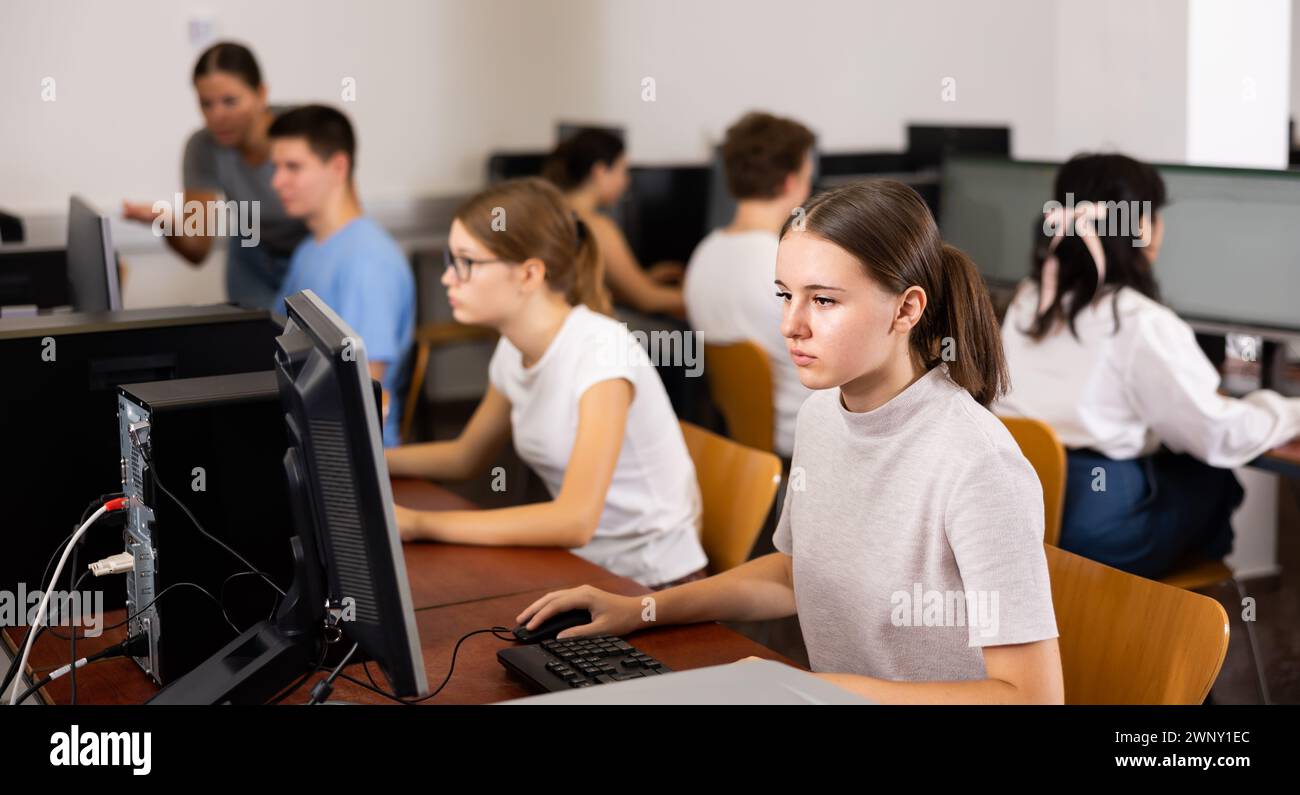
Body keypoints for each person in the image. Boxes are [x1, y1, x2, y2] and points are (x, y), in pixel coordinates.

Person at [514, 181, 1063, 704]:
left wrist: (805, 690)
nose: (790, 325)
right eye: (785, 295)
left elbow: (1032, 697)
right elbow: (793, 573)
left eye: (823, 301)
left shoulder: (977, 462)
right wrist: (642, 610)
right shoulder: (821, 413)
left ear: (906, 309)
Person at [385, 178, 708, 590]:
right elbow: (464, 456)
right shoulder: (513, 347)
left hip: (650, 581)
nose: (449, 278)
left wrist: (422, 524)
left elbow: (574, 520)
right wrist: (366, 457)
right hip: (587, 564)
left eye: (466, 262)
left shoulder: (600, 351)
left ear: (529, 274)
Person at [998, 153, 1300, 578]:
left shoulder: (1028, 300)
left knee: (1176, 461)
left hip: (1020, 517)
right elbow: (1218, 434)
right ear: (1142, 228)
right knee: (1211, 474)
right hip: (1093, 531)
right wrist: (1289, 412)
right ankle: (1159, 624)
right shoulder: (1139, 321)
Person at [268, 104, 414, 448]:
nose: (277, 181)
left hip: (346, 453)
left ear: (338, 167)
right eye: (275, 167)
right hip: (306, 436)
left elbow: (362, 394)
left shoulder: (370, 261)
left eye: (293, 167)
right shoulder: (309, 249)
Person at [123, 41, 306, 308]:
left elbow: (338, 219)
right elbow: (197, 248)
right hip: (252, 249)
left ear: (261, 94)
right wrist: (165, 222)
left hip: (308, 253)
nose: (216, 115)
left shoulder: (302, 132)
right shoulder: (203, 147)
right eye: (206, 104)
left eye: (230, 101)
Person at [683, 111, 817, 457]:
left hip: (746, 440)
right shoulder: (787, 264)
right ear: (791, 183)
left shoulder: (703, 255)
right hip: (805, 434)